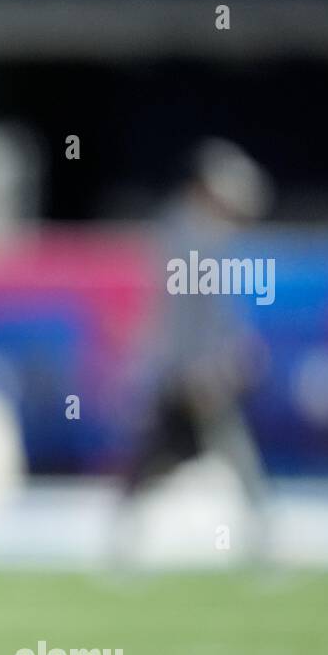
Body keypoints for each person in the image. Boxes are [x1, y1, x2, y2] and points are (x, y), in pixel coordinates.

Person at [114, 137, 273, 565]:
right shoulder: (186, 238)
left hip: (194, 373)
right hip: (186, 376)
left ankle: (122, 547)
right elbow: (179, 315)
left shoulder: (207, 238)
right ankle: (262, 548)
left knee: (163, 460)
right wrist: (196, 368)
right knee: (220, 455)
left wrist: (233, 349)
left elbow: (214, 314)